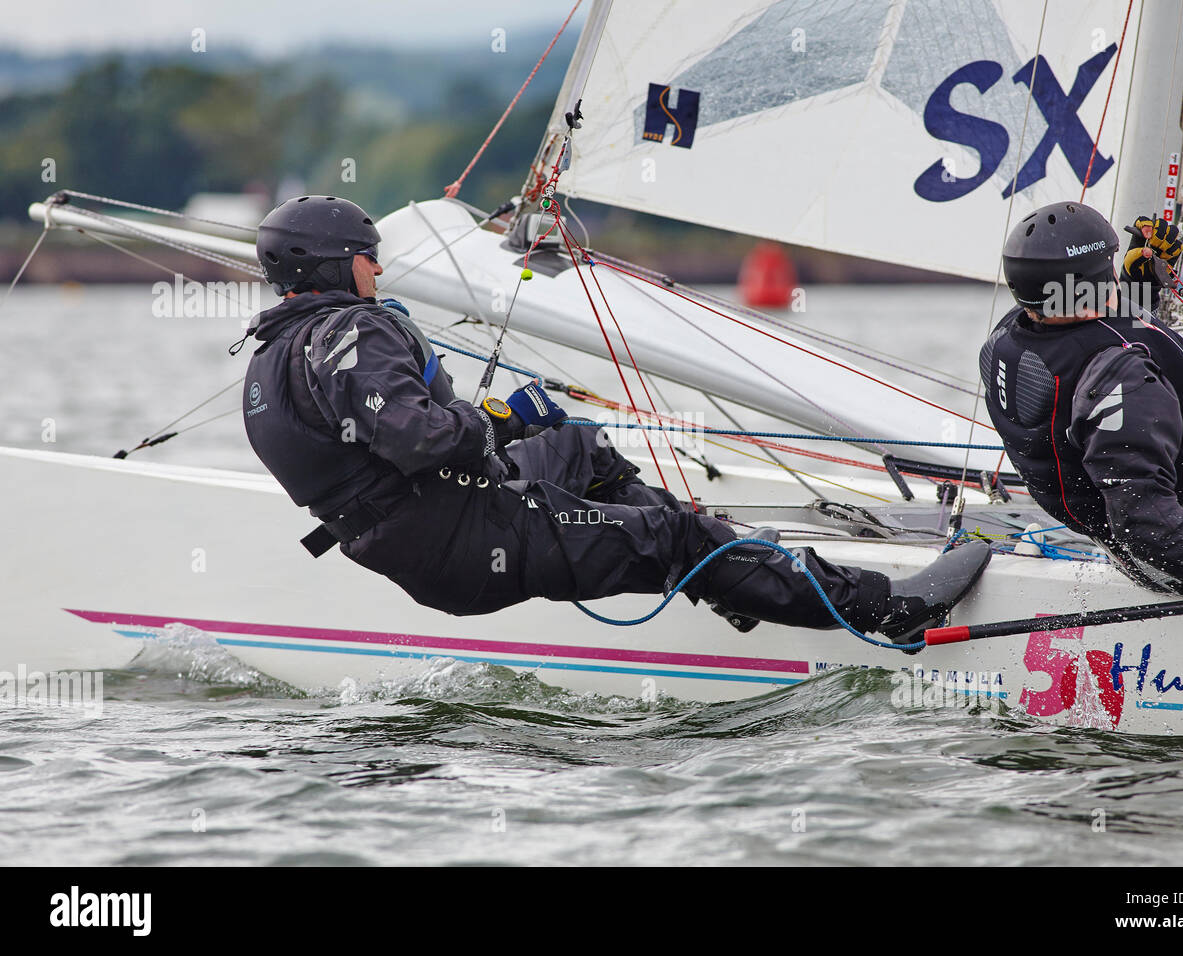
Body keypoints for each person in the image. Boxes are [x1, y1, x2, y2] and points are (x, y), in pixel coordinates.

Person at [237, 195, 991, 643]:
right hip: (465, 538)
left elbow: (393, 446)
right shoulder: (352, 335)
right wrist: (497, 420)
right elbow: (425, 439)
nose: (377, 269)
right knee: (678, 534)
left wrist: (510, 428)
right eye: (367, 257)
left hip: (425, 533)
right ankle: (888, 610)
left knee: (573, 445)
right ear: (335, 266)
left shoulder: (268, 359)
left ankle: (730, 576)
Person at [980, 199, 1183, 606]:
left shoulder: (1013, 331)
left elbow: (1089, 332)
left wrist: (1140, 284)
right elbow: (1146, 526)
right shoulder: (1122, 380)